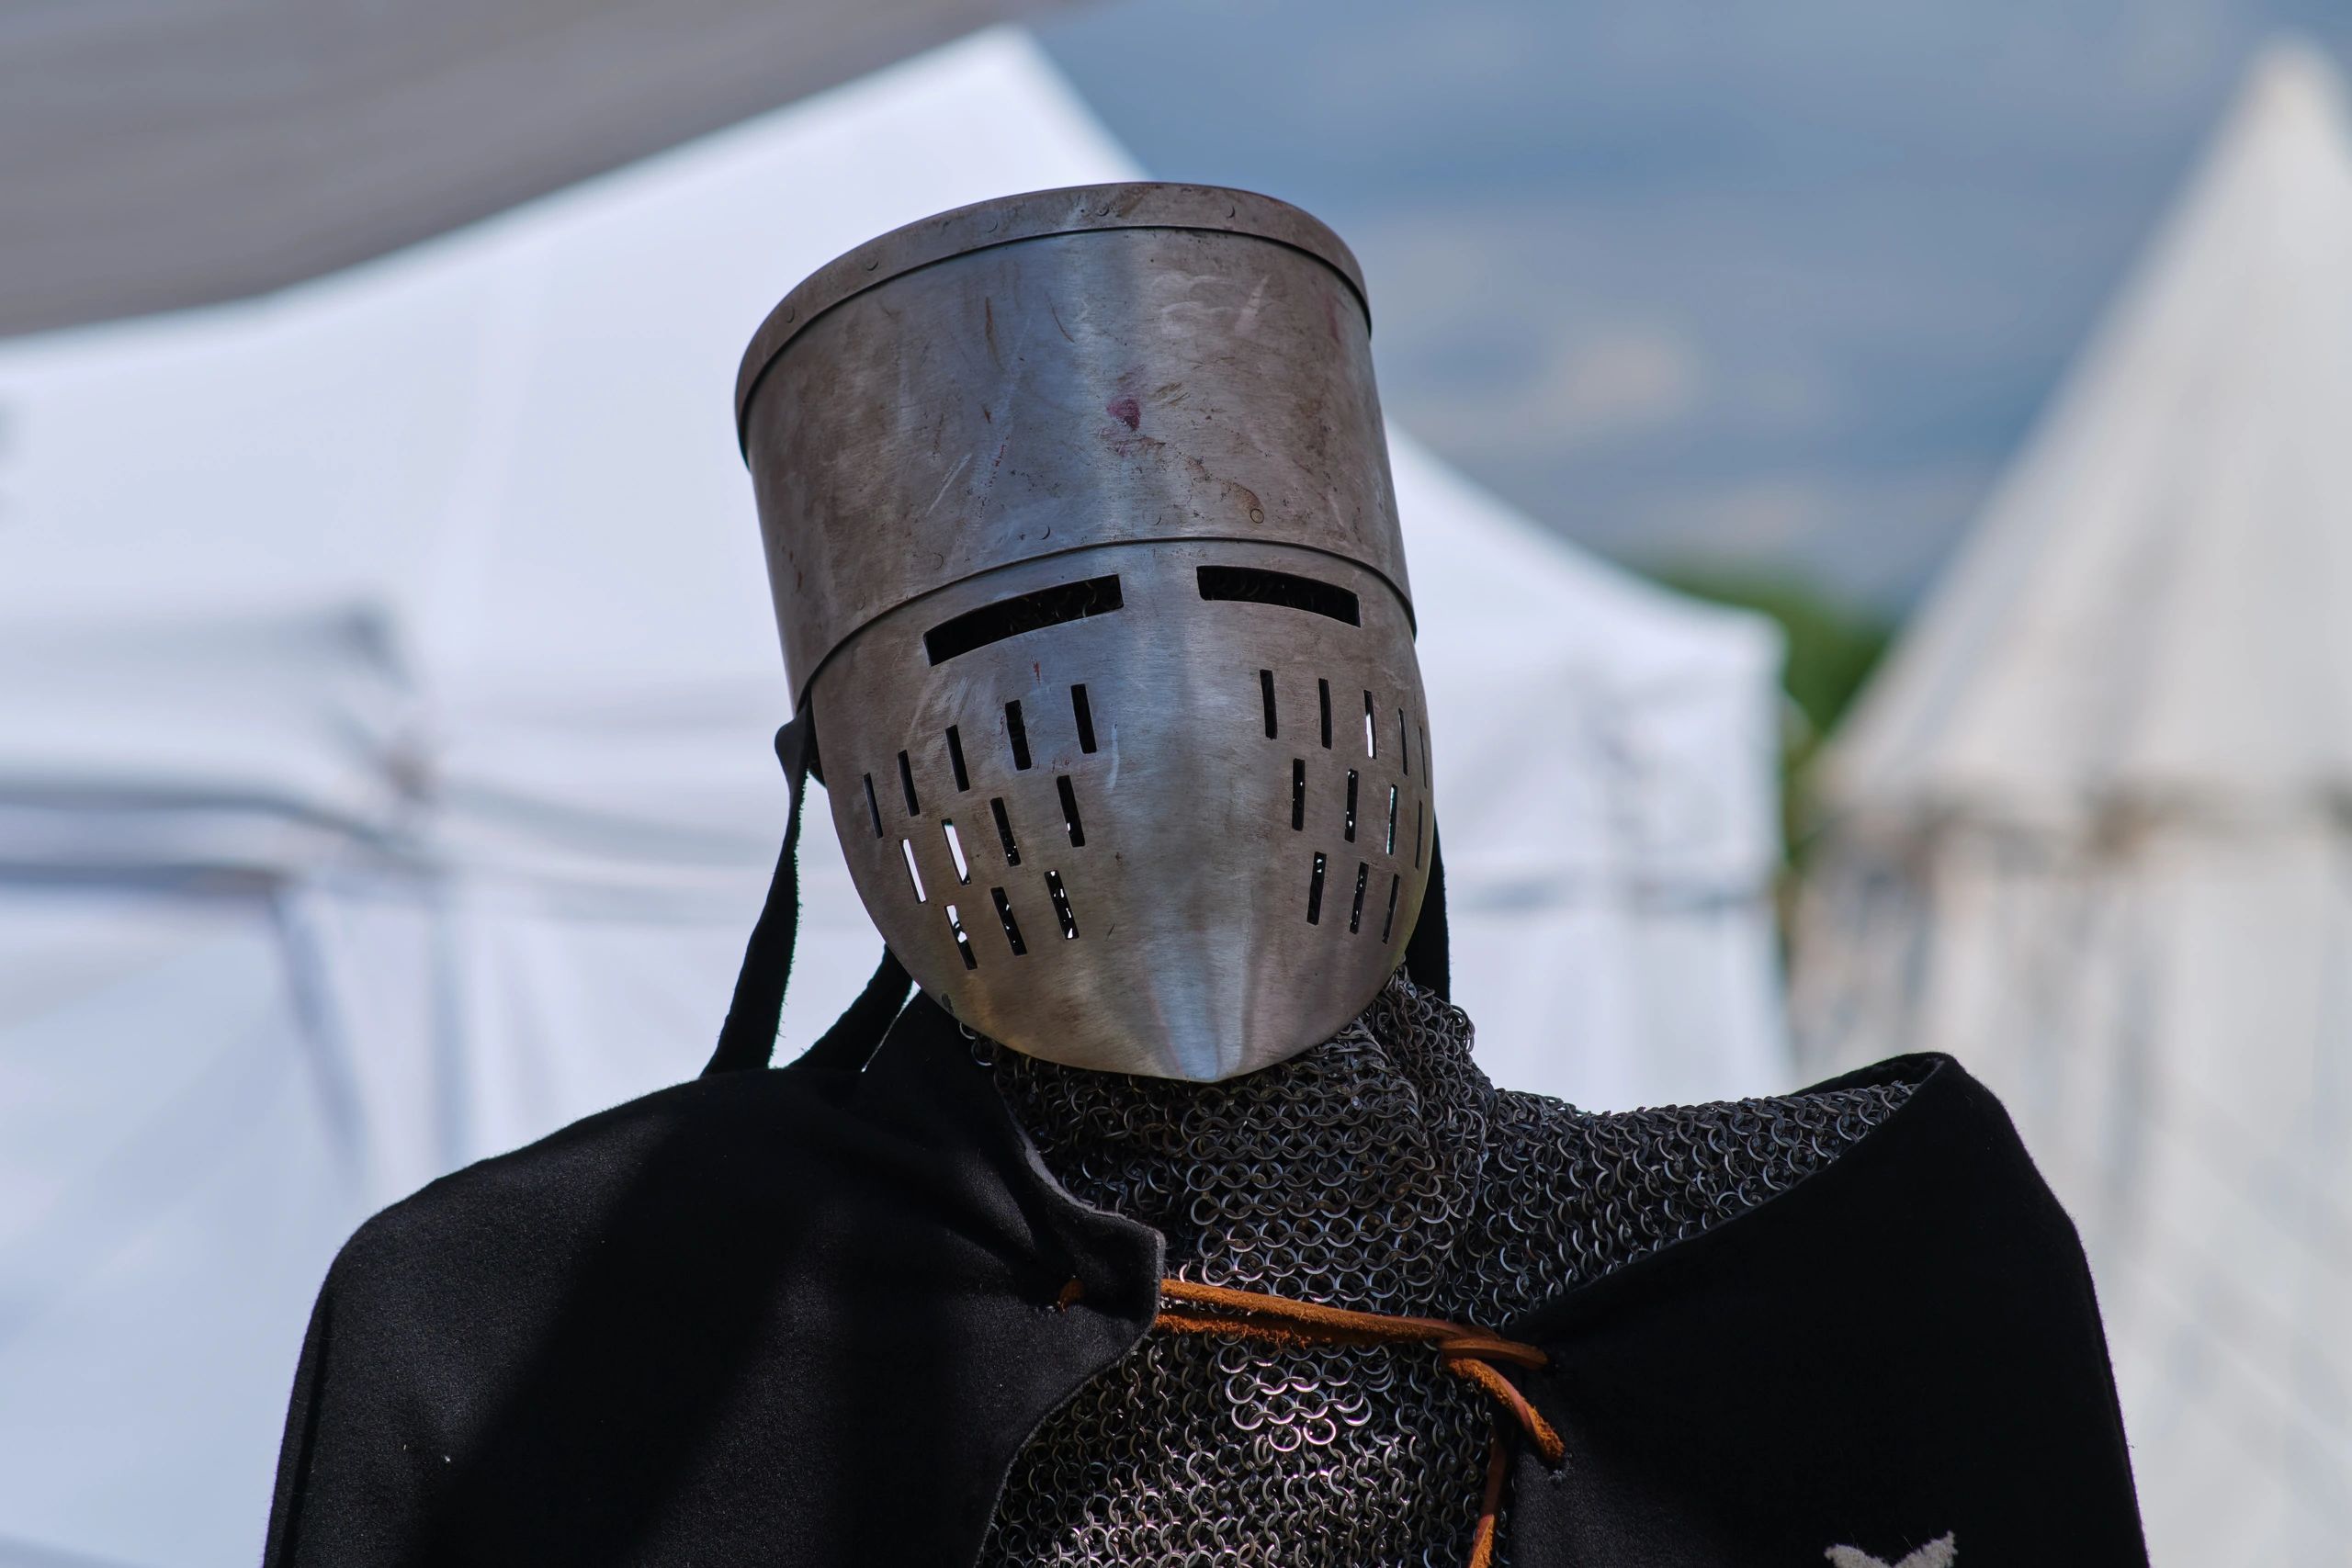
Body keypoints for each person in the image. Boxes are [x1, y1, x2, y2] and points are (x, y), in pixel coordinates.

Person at [262, 185, 2146, 1567]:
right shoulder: (538, 1323)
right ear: (839, 767)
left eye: (1261, 606)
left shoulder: (1801, 1241)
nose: (1159, 722)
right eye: (1033, 641)